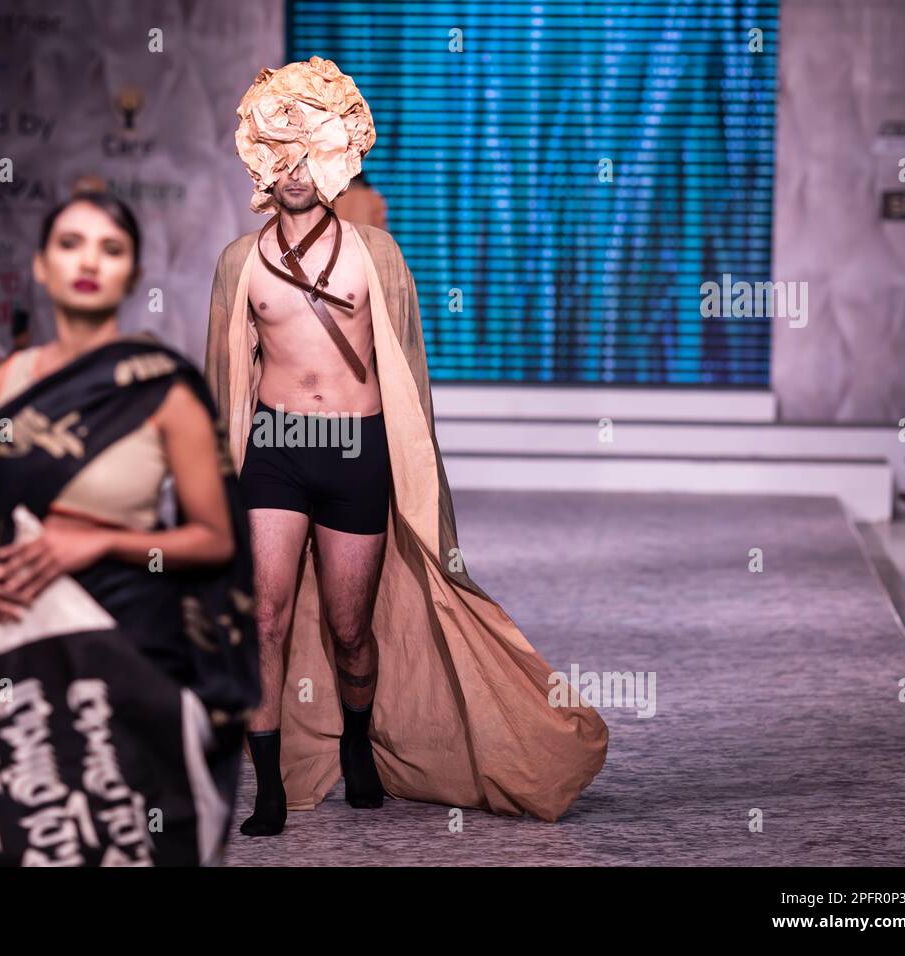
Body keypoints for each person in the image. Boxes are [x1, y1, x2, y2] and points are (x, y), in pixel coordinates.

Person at [207, 57, 608, 836]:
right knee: (265, 621)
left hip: (356, 448)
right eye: (279, 154)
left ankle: (358, 745)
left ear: (336, 158)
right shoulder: (239, 262)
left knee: (353, 632)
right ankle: (268, 790)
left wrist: (411, 478)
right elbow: (224, 379)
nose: (293, 171)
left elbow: (408, 373)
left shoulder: (376, 255)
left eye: (308, 152)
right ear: (261, 161)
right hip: (276, 448)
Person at [0, 192, 258, 866]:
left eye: (111, 249)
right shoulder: (6, 384)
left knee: (120, 836)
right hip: (19, 643)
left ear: (132, 274)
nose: (90, 261)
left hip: (127, 648)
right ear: (41, 266)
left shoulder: (164, 389)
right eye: (71, 244)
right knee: (20, 835)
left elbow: (215, 539)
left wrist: (105, 541)